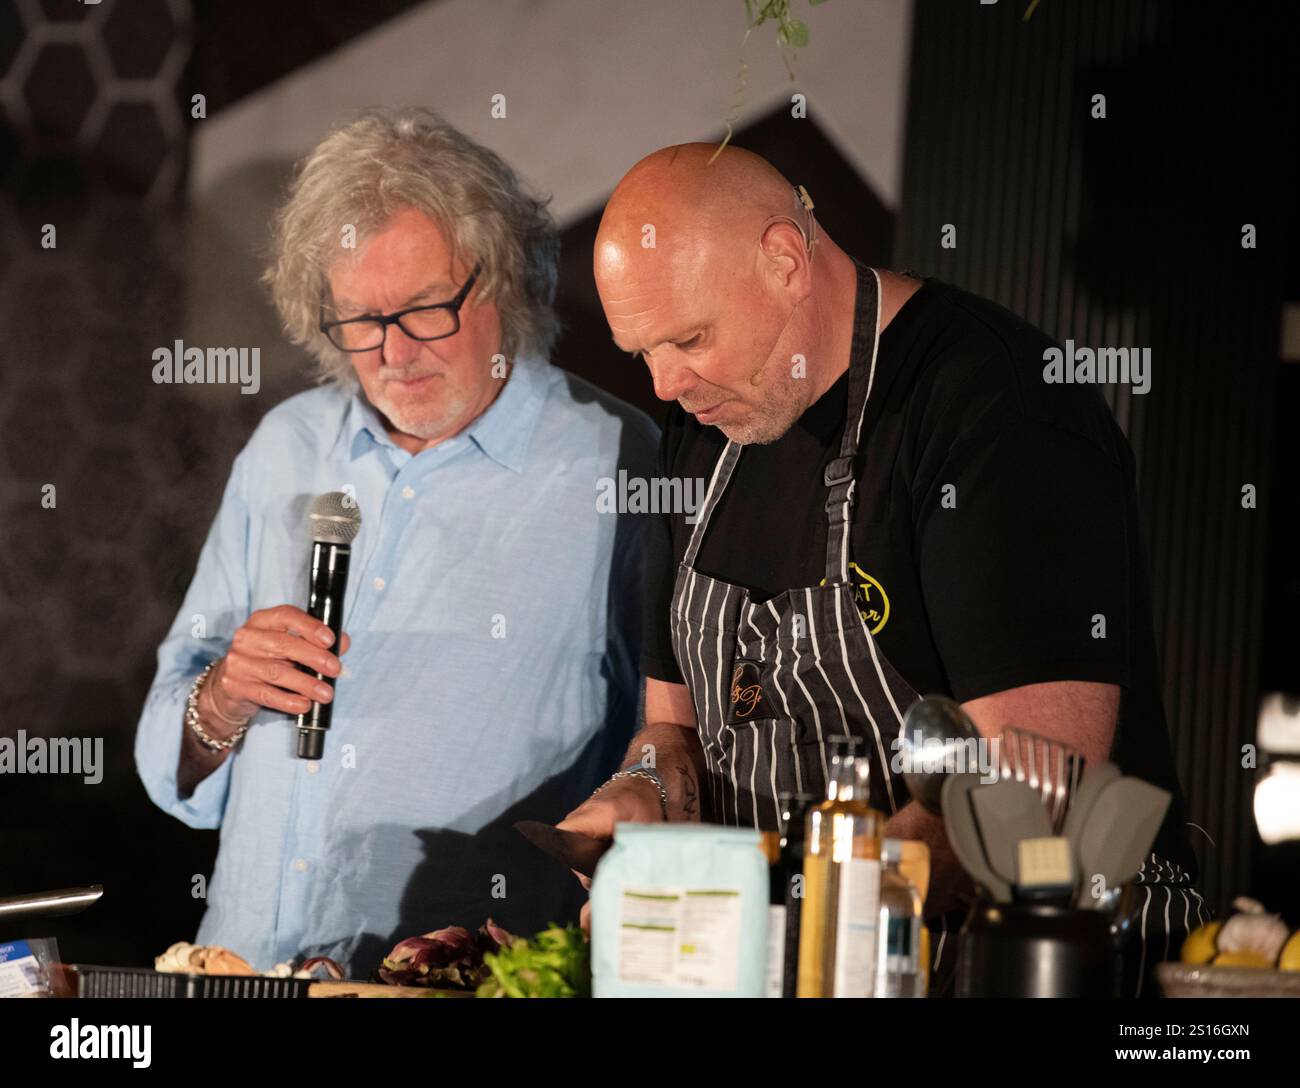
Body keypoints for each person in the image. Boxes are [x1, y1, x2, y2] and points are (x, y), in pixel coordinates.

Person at [561, 142, 1204, 995]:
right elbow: (673, 731)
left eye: (689, 338)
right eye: (642, 351)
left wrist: (794, 912)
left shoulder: (1001, 412)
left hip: (1017, 969)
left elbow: (1032, 788)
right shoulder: (706, 423)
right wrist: (643, 793)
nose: (667, 383)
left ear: (785, 260)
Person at [134, 108, 657, 976]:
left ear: (500, 282)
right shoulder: (286, 449)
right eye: (359, 321)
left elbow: (673, 767)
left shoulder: (622, 466)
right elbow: (169, 766)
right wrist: (220, 701)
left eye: (423, 311)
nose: (393, 354)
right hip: (239, 969)